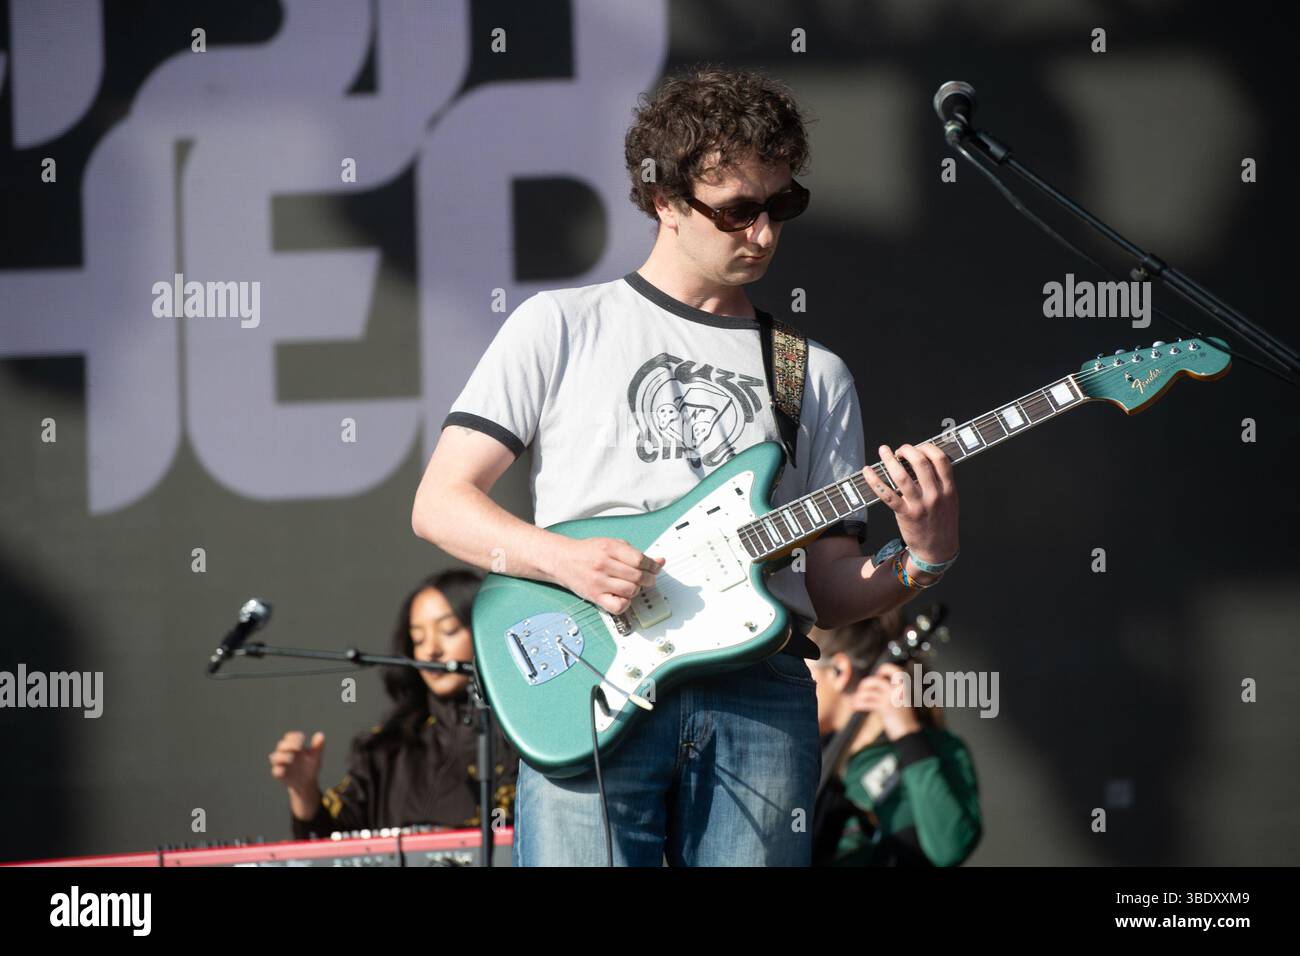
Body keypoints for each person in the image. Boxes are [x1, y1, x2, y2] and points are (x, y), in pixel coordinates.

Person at [411, 65, 960, 866]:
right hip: (591, 677)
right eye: (738, 211)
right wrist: (565, 560)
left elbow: (832, 589)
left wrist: (921, 557)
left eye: (782, 206)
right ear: (665, 199)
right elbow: (441, 504)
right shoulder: (561, 325)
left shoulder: (812, 374)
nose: (764, 233)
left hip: (759, 697)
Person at [268, 570, 518, 839]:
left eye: (448, 630)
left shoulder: (522, 738)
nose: (431, 650)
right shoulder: (388, 750)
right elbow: (332, 841)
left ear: (486, 630)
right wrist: (304, 790)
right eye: (418, 639)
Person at [808, 612, 981, 866]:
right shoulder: (809, 759)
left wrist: (907, 735)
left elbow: (950, 846)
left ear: (839, 671)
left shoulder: (939, 749)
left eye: (798, 667)